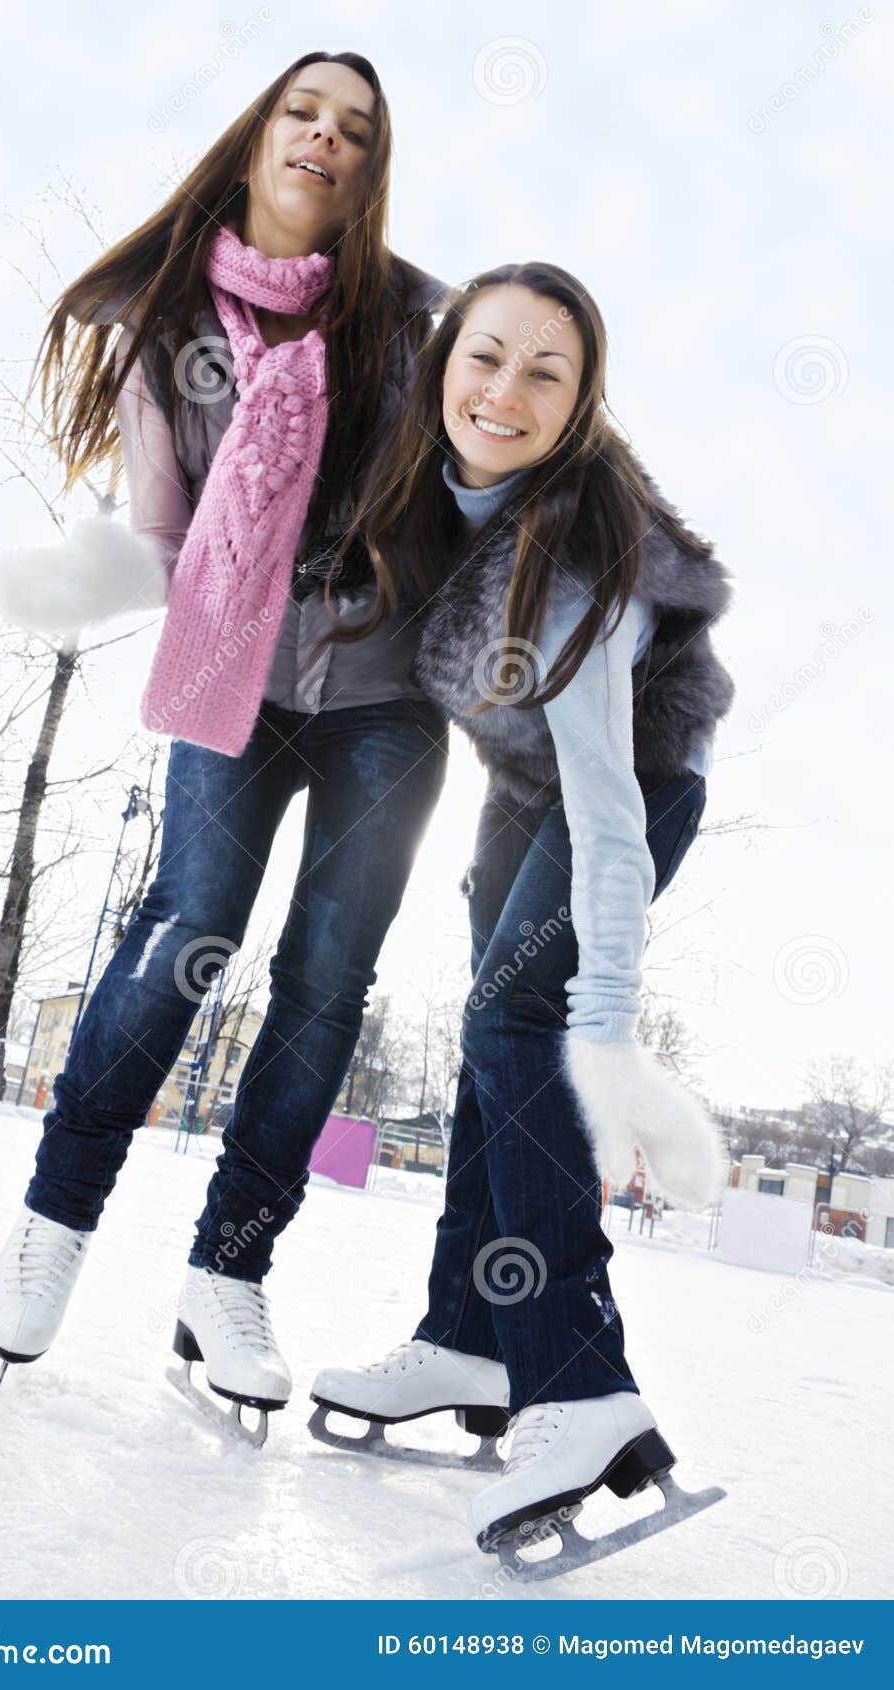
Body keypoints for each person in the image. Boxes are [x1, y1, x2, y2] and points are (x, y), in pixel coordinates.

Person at [0, 52, 449, 1425]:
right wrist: (86, 578)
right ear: (257, 139)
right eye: (305, 112)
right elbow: (165, 535)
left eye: (356, 129)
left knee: (327, 978)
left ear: (370, 170)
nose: (327, 137)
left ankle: (227, 1274)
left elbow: (484, 473)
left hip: (387, 691)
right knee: (188, 926)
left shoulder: (414, 321)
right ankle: (56, 1220)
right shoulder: (167, 325)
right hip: (232, 673)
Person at [309, 262, 735, 1554]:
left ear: (581, 403)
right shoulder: (421, 471)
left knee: (516, 1025)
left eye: (545, 373)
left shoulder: (575, 547)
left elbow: (609, 802)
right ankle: (467, 1340)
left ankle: (579, 1380)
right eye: (484, 356)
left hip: (628, 782)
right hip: (518, 778)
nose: (504, 392)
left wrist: (603, 1011)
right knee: (489, 1065)